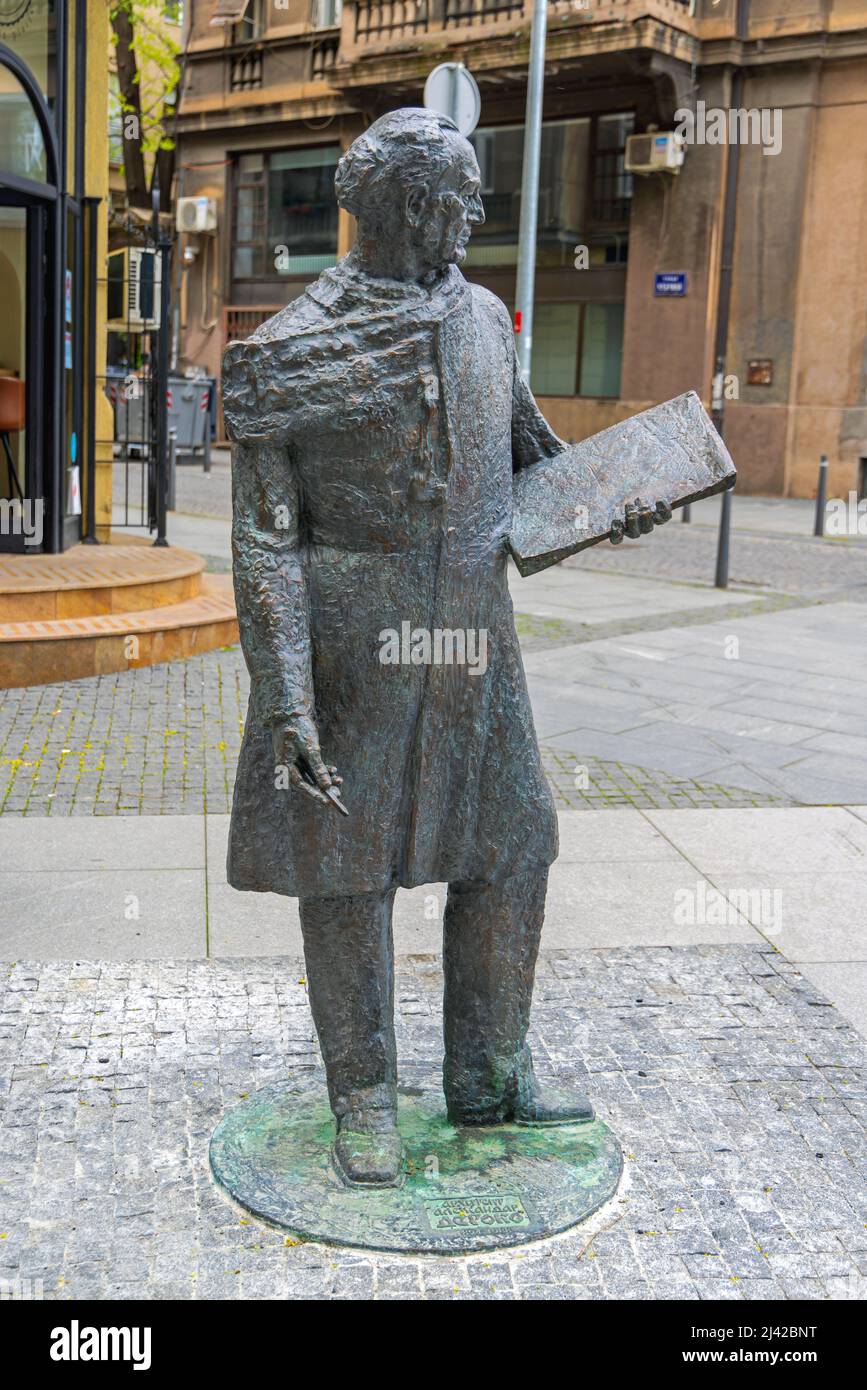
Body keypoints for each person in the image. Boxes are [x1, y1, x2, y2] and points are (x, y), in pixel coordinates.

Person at [222, 109, 669, 1187]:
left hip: (473, 634)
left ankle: (487, 1072)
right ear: (415, 207)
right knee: (348, 870)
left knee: (516, 841)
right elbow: (265, 536)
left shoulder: (481, 320)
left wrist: (615, 494)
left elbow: (529, 463)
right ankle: (363, 1095)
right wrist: (286, 694)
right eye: (463, 197)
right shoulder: (286, 352)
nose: (475, 213)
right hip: (352, 639)